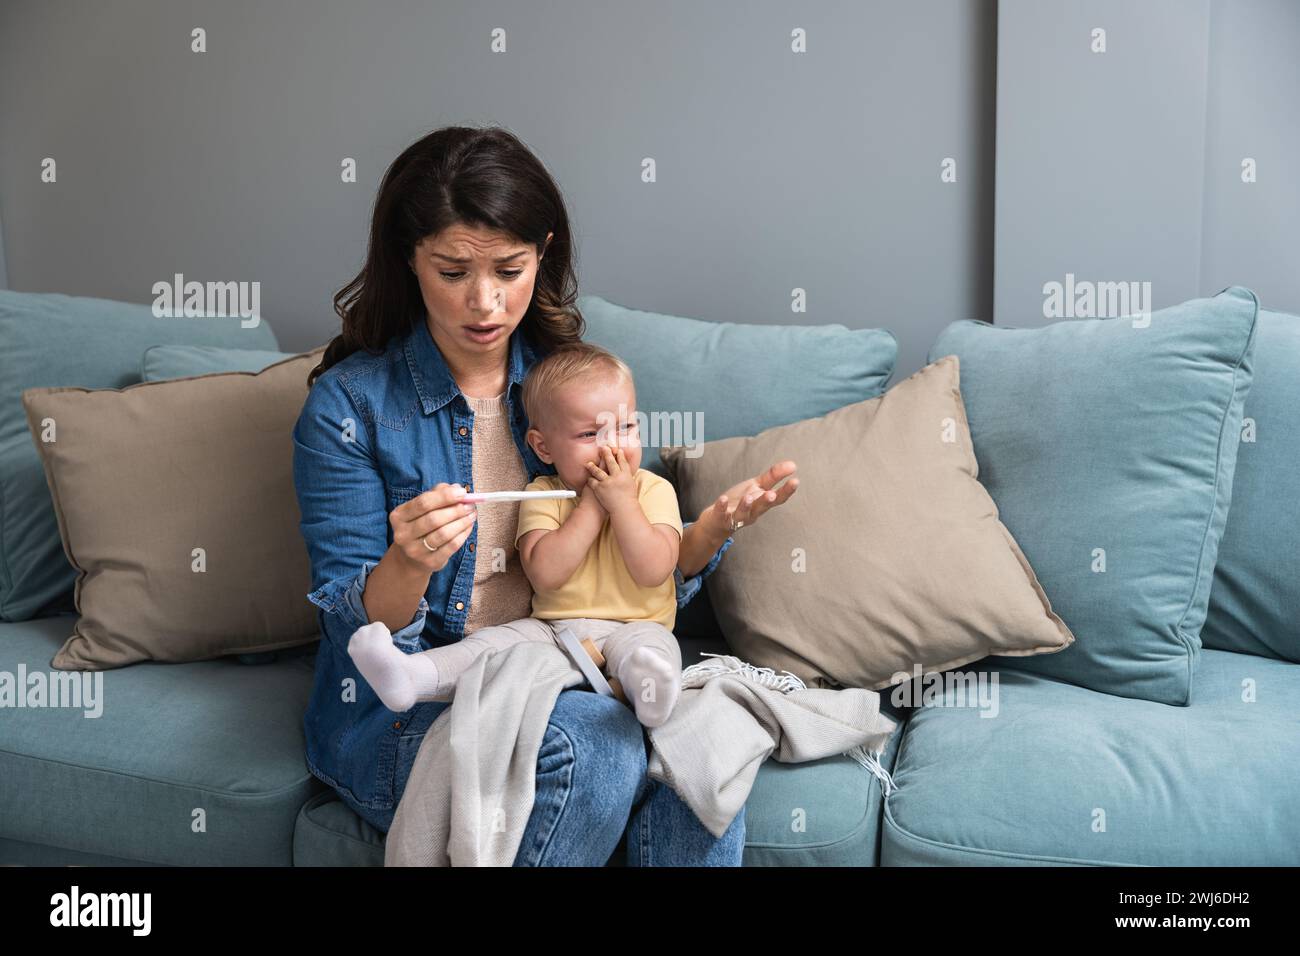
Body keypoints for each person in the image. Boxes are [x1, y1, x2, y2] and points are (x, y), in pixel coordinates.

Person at [293, 125, 799, 866]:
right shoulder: (350, 408)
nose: (485, 301)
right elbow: (354, 628)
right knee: (597, 745)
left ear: (545, 252)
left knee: (702, 760)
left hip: (577, 671)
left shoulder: (574, 386)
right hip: (411, 711)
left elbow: (641, 583)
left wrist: (709, 527)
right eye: (453, 271)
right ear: (409, 260)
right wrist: (408, 562)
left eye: (510, 268)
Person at [348, 342, 692, 729]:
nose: (612, 445)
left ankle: (648, 694)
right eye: (589, 434)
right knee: (491, 646)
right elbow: (546, 573)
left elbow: (654, 570)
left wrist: (623, 504)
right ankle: (412, 676)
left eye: (625, 427)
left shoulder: (653, 489)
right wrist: (593, 506)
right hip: (553, 629)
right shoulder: (542, 493)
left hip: (637, 626)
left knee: (652, 652)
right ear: (543, 447)